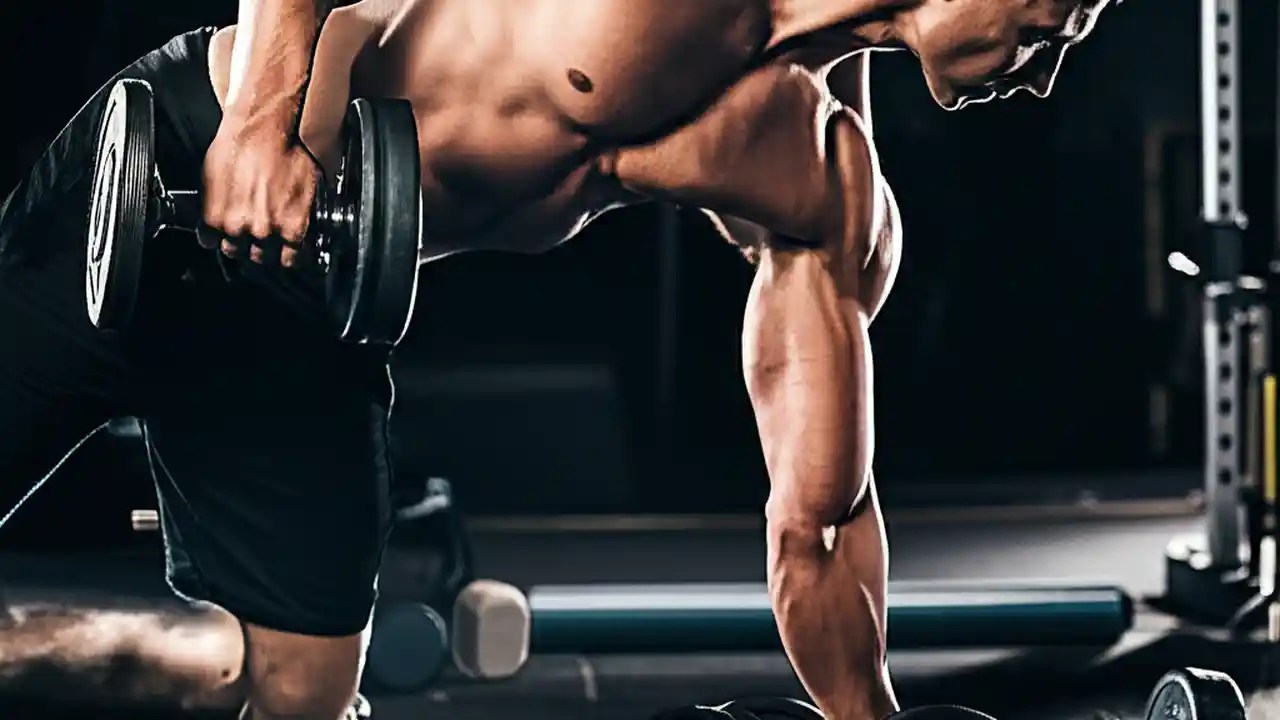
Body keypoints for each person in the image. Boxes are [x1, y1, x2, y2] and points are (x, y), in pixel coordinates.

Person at [0, 0, 1112, 718]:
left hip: (306, 300)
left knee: (303, 693)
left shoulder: (819, 181)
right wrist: (257, 114)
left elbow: (815, 520)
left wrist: (863, 712)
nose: (1043, 69)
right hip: (185, 154)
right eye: (1051, 24)